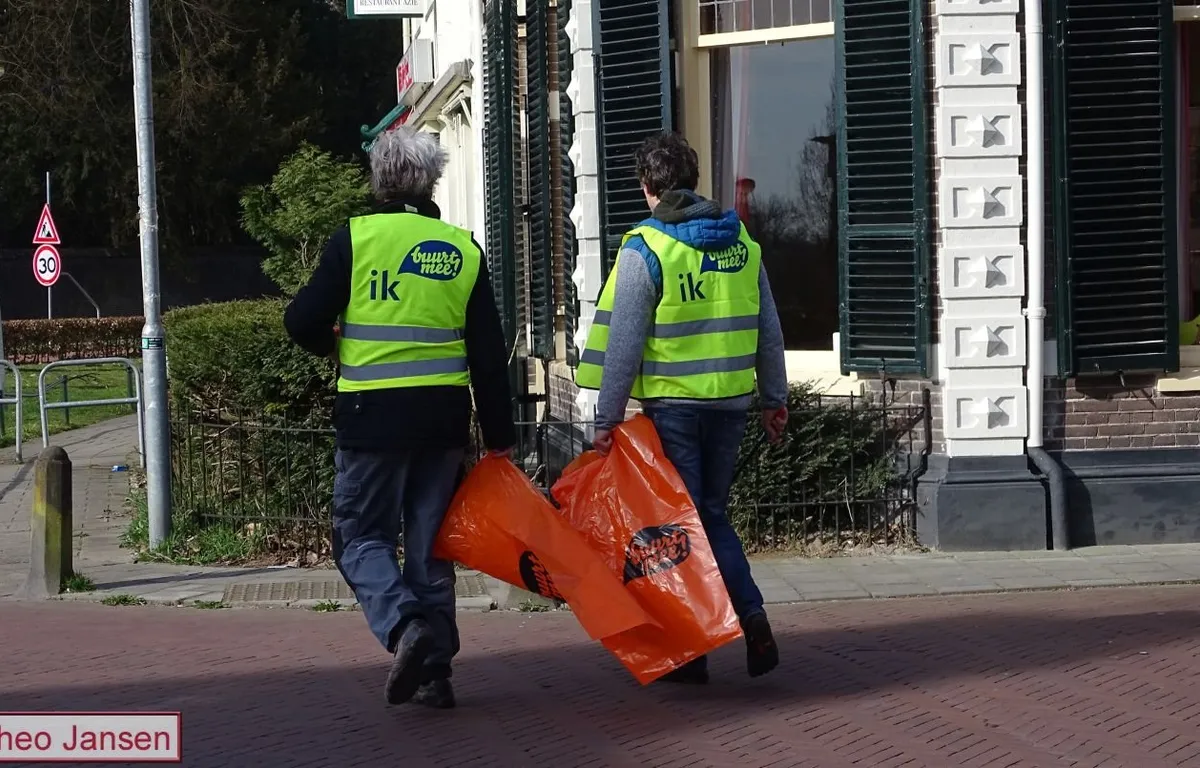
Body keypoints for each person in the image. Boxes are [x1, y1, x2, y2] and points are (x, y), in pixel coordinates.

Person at [284, 126, 516, 709]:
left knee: (361, 538)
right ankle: (436, 672)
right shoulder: (463, 249)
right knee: (431, 544)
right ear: (430, 179)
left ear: (380, 179)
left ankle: (404, 628)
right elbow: (489, 354)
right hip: (442, 423)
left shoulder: (355, 240)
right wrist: (500, 439)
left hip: (371, 420)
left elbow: (300, 320)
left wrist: (332, 344)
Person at [575, 131, 789, 684]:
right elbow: (768, 329)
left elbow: (624, 344)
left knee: (679, 528)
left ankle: (705, 643)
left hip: (672, 407)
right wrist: (774, 399)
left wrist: (605, 421)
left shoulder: (646, 247)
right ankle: (737, 623)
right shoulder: (740, 242)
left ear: (649, 188)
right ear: (693, 183)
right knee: (709, 515)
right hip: (731, 404)